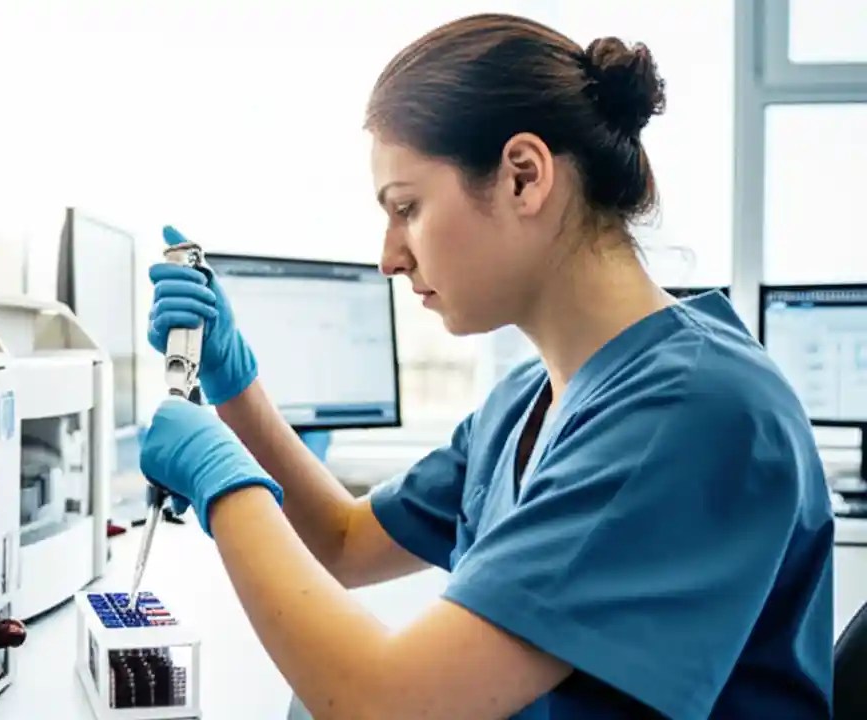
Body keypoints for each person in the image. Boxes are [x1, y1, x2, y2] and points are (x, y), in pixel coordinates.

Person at [141, 13, 833, 720]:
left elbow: (385, 704)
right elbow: (343, 543)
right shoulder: (529, 401)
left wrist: (222, 483)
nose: (389, 257)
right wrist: (234, 388)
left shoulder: (691, 412)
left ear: (523, 177)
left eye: (407, 208)